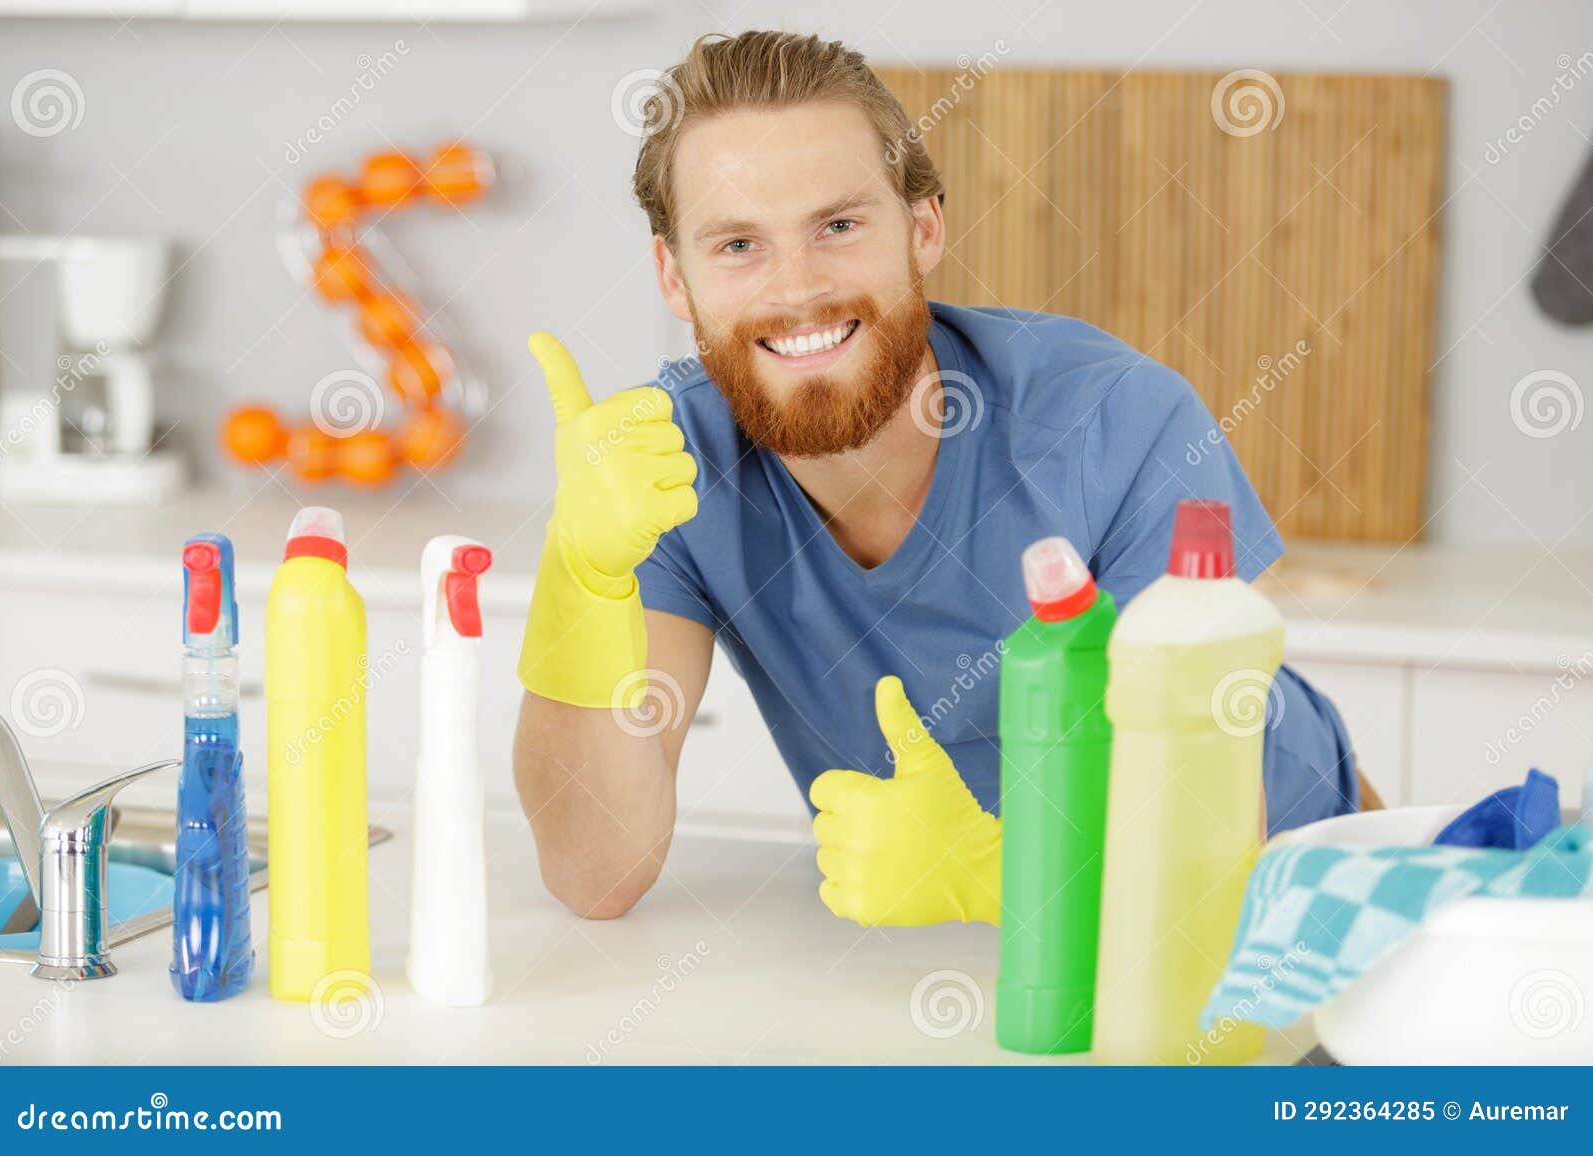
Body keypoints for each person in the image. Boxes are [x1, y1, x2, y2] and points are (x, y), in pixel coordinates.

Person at [512, 29, 1362, 925]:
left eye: (838, 226)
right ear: (673, 277)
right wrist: (584, 578)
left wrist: (988, 872)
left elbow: (1211, 854)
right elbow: (594, 872)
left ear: (923, 228)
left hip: (1282, 904)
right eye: (737, 245)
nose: (797, 289)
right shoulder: (664, 468)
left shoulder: (1114, 422)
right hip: (954, 946)